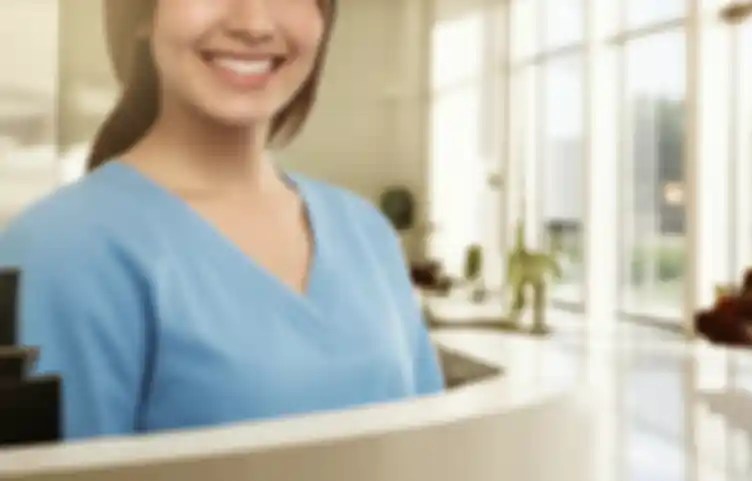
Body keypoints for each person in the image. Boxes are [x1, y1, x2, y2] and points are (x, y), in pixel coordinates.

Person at [0, 0, 444, 440]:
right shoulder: (59, 248)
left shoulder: (366, 232)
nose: (253, 24)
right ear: (141, 15)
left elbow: (432, 455)